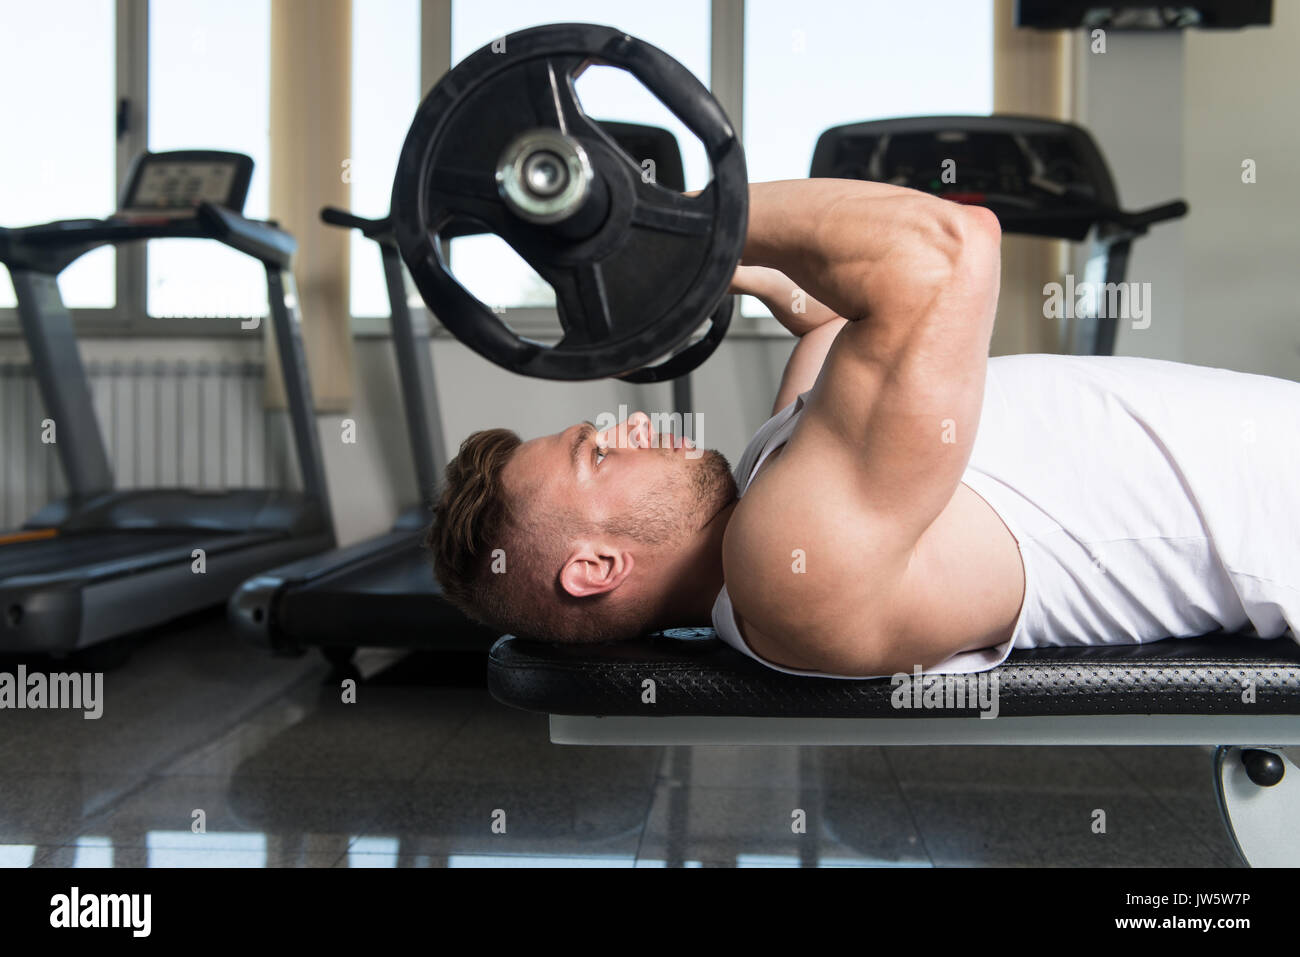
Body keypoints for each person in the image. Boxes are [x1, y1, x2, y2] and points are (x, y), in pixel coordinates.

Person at [426, 178, 1300, 679]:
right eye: (597, 451)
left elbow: (828, 324)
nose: (627, 426)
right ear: (596, 567)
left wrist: (711, 269)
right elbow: (950, 249)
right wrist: (672, 224)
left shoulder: (780, 502)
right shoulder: (781, 569)